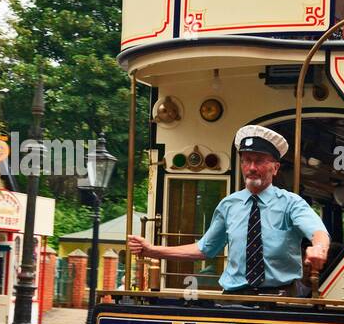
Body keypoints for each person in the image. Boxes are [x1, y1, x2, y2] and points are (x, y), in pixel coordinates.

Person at [128, 125, 330, 294]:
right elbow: (204, 249)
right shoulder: (228, 205)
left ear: (275, 168)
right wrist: (152, 250)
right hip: (234, 300)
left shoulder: (290, 203)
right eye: (246, 160)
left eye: (259, 160)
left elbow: (318, 231)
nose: (251, 167)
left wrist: (319, 248)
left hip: (279, 300)